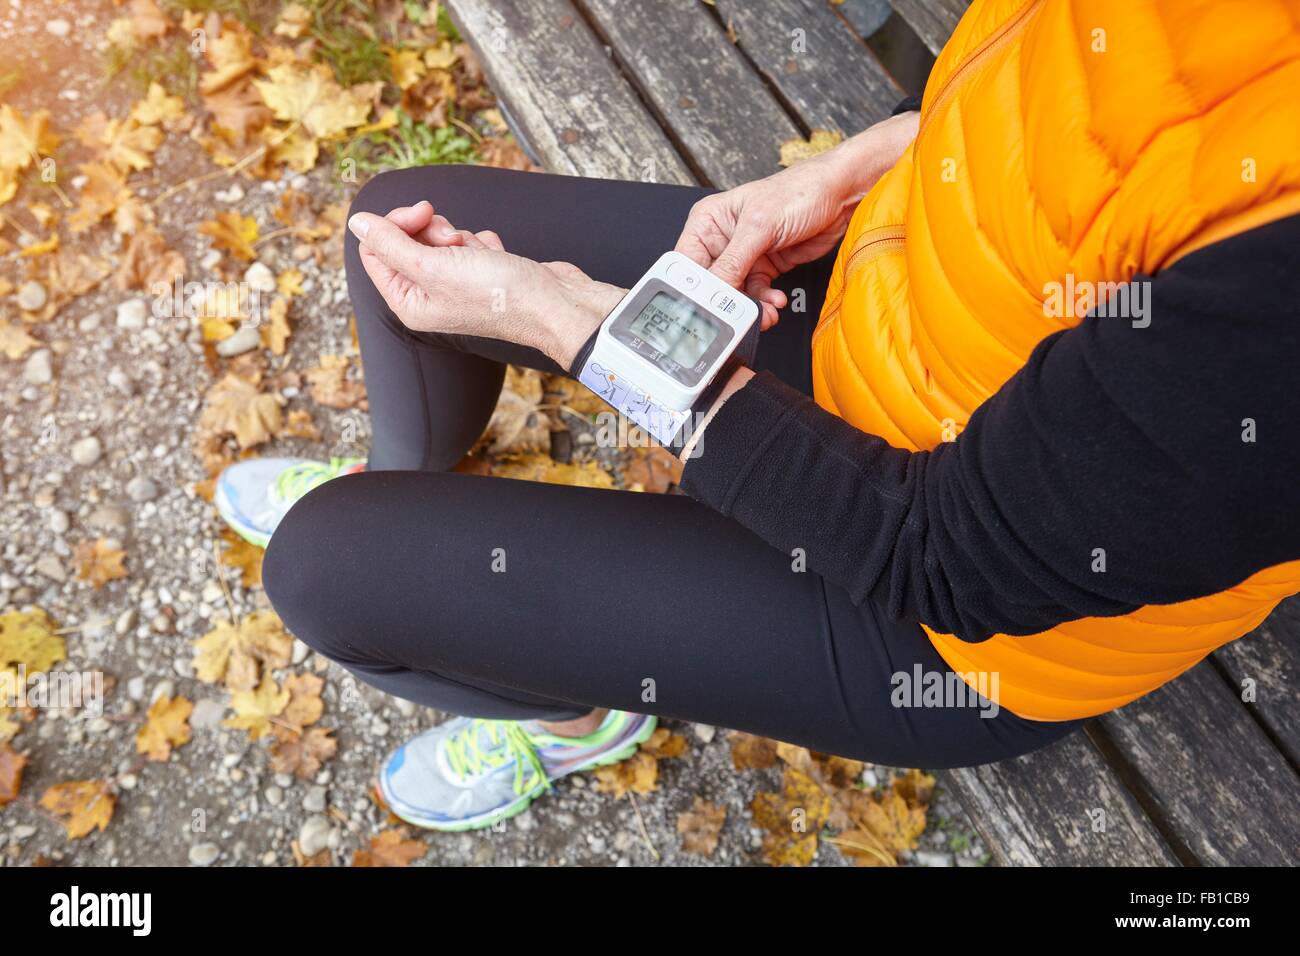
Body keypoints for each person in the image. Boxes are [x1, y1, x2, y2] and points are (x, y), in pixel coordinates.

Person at [216, 0, 1300, 832]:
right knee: (392, 225)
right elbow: (1054, 88)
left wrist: (574, 325)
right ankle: (402, 479)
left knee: (324, 572)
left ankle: (574, 716)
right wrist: (865, 164)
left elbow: (953, 555)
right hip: (890, 293)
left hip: (952, 610)